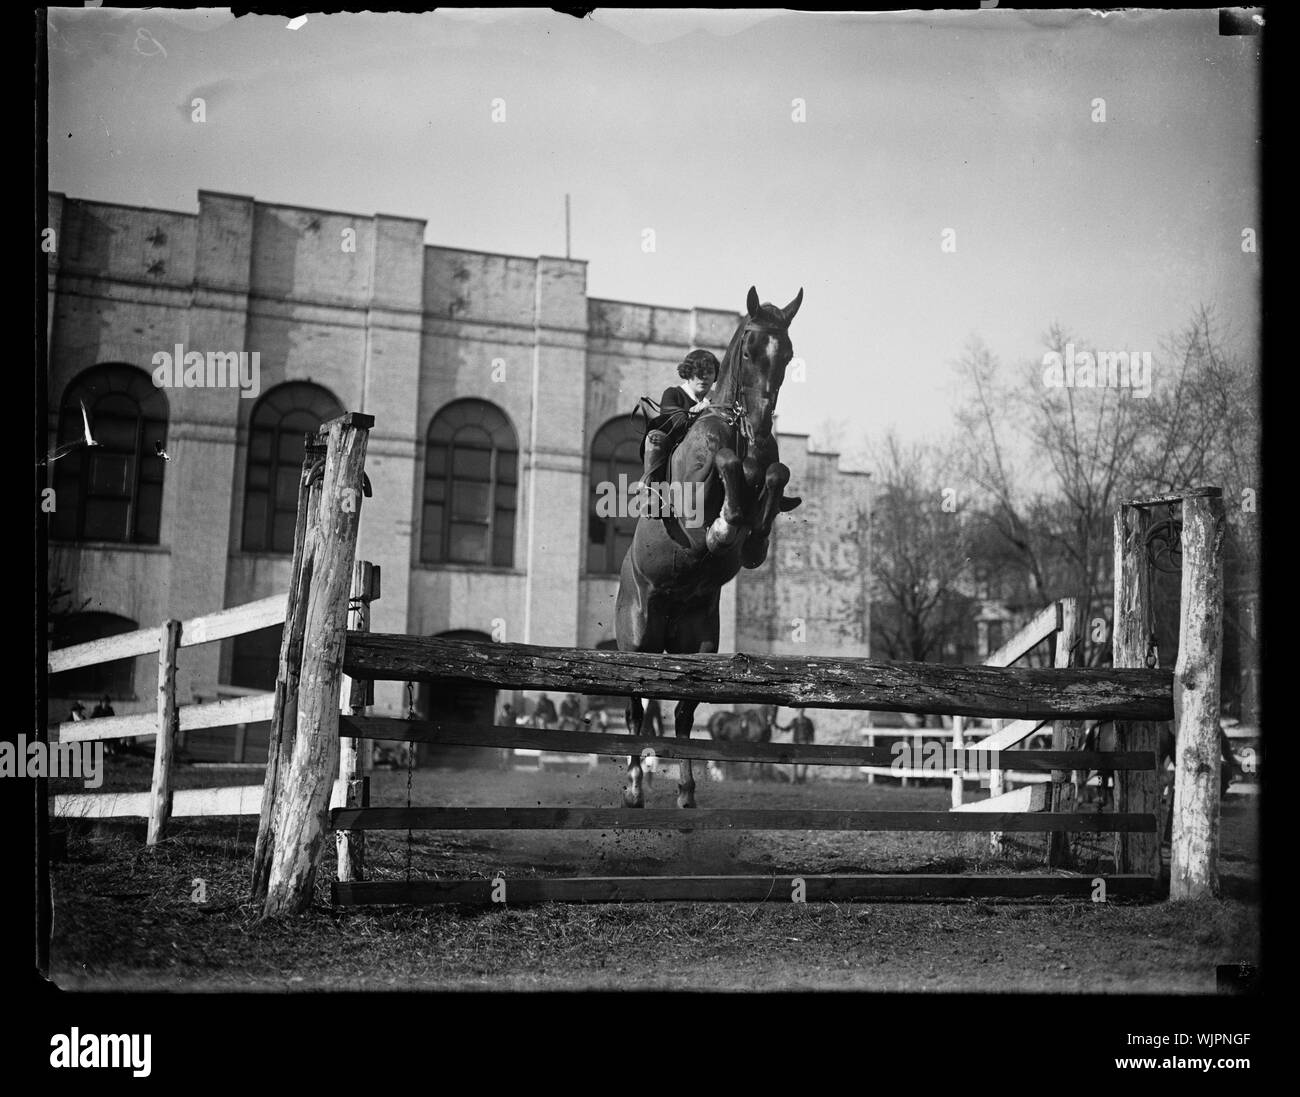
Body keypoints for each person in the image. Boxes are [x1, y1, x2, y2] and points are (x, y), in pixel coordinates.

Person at [641, 349, 719, 485]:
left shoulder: (719, 400)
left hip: (712, 447)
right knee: (655, 436)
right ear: (687, 373)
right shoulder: (672, 394)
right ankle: (650, 489)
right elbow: (673, 422)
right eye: (698, 372)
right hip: (677, 446)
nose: (704, 377)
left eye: (709, 372)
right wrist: (695, 412)